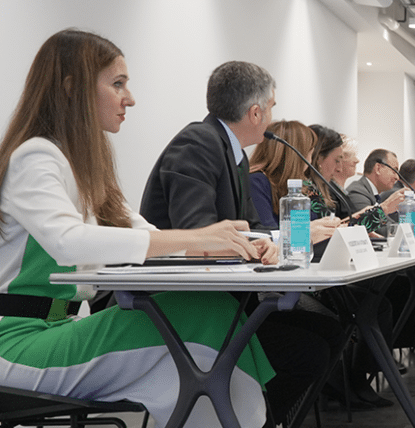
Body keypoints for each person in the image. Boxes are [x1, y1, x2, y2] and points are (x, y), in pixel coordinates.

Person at [0, 29, 274, 428]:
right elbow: (69, 242)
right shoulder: (36, 155)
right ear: (73, 88)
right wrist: (196, 238)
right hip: (19, 342)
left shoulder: (85, 166)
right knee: (204, 317)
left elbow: (139, 229)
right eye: (117, 84)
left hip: (63, 325)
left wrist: (233, 245)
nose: (130, 97)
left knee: (209, 323)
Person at [140, 61, 339, 425]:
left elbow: (253, 227)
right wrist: (265, 241)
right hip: (182, 305)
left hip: (220, 297)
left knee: (328, 331)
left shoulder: (232, 154)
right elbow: (197, 235)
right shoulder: (197, 143)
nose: (272, 115)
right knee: (308, 352)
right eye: (272, 107)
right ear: (255, 112)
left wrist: (268, 241)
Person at [345, 148, 402, 215]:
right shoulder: (357, 192)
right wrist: (386, 207)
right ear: (378, 169)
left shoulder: (374, 194)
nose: (397, 178)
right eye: (394, 171)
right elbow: (371, 222)